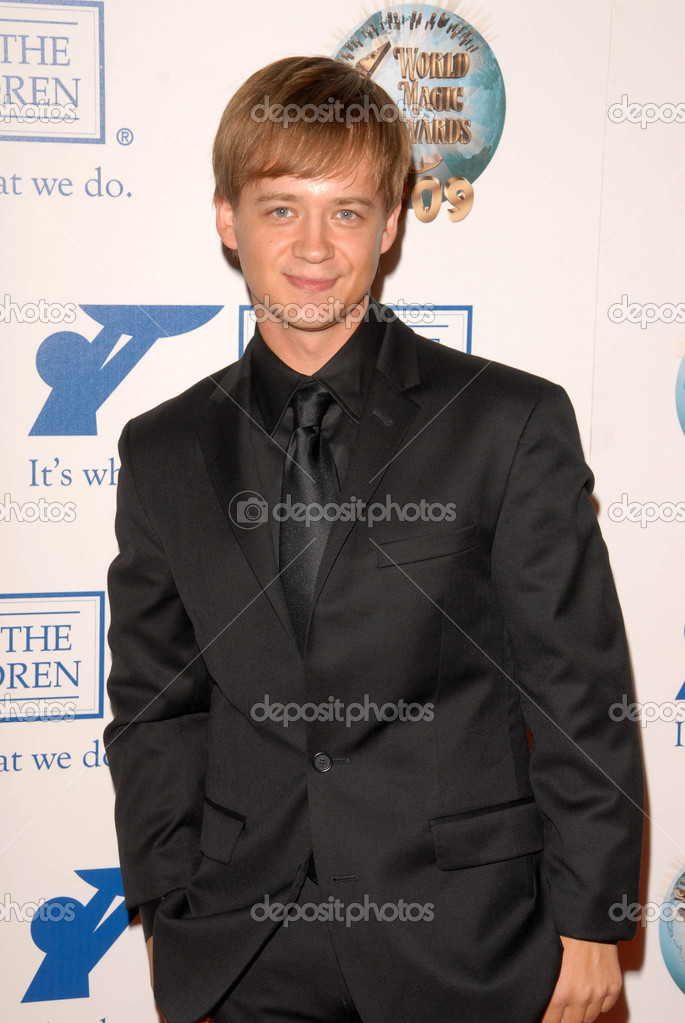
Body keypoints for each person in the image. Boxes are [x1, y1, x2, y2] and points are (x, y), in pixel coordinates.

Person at [104, 55, 643, 1023]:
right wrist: (166, 899)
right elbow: (155, 703)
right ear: (227, 219)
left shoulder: (504, 422)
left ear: (390, 226)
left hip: (468, 940)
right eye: (280, 208)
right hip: (240, 944)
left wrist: (596, 919)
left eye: (347, 210)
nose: (314, 245)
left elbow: (576, 687)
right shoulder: (164, 448)